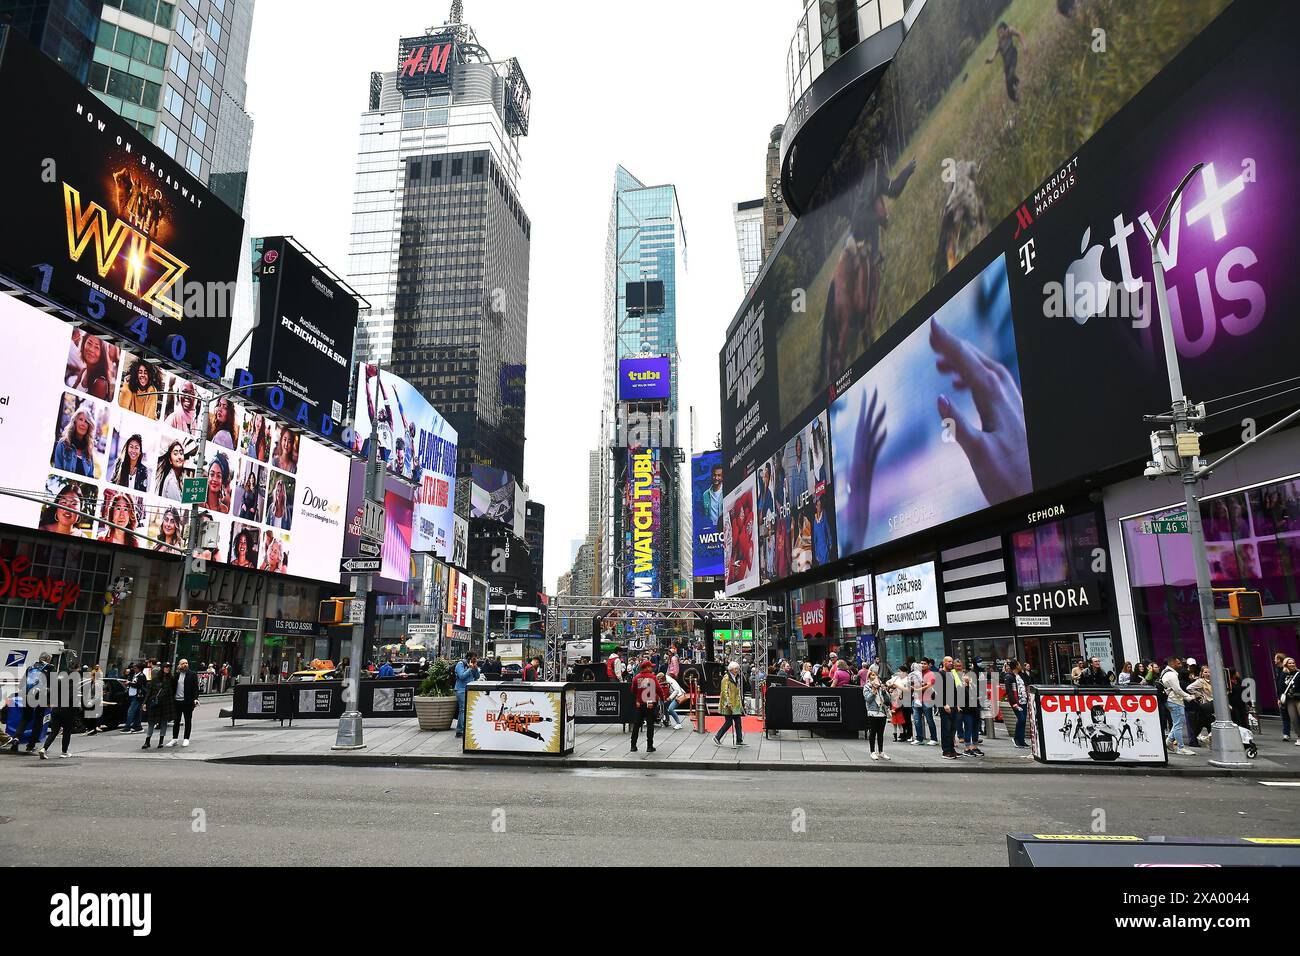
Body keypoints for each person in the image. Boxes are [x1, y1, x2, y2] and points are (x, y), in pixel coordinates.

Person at [9, 652, 53, 753]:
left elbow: (21, 685)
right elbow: (52, 686)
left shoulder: (30, 667)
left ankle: (16, 738)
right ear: (47, 659)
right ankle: (31, 745)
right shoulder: (49, 668)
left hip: (27, 695)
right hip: (40, 696)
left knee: (25, 718)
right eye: (50, 658)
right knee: (38, 720)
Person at [37, 662, 83, 760]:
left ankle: (44, 749)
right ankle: (64, 752)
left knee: (54, 732)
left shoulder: (59, 682)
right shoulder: (73, 684)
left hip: (56, 709)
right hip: (67, 710)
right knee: (67, 731)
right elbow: (72, 698)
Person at [629, 659, 665, 753]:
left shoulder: (636, 677)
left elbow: (633, 690)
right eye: (651, 667)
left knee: (637, 724)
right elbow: (659, 690)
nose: (652, 668)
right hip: (650, 705)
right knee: (650, 725)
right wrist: (662, 698)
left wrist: (638, 697)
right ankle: (649, 746)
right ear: (647, 667)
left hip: (640, 704)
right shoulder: (652, 677)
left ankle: (633, 746)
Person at [53, 401, 98, 477]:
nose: (83, 424)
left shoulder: (89, 450)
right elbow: (57, 473)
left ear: (89, 426)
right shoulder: (62, 444)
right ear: (75, 422)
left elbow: (90, 476)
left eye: (86, 421)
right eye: (80, 419)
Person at [1160, 657, 1195, 755]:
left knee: (1177, 723)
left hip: (1172, 701)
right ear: (1173, 664)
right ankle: (1181, 748)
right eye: (1178, 663)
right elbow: (1177, 690)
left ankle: (1169, 741)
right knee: (1178, 725)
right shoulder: (1171, 675)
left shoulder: (1165, 672)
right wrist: (1188, 697)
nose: (1180, 665)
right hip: (1175, 701)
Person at [985, 21, 1024, 103]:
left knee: (1011, 76)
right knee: (1009, 91)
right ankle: (1017, 100)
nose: (1000, 34)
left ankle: (1019, 84)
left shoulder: (1010, 31)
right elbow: (995, 52)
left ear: (1005, 29)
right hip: (1006, 63)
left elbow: (1019, 34)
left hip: (1013, 56)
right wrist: (990, 59)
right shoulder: (1000, 41)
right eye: (999, 33)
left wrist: (1024, 46)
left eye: (1001, 31)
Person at [142, 662, 175, 749]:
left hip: (166, 703)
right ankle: (147, 741)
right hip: (155, 703)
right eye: (166, 667)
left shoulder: (171, 679)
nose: (167, 669)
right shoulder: (155, 679)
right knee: (151, 722)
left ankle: (161, 741)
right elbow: (149, 691)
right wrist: (145, 703)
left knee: (164, 722)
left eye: (169, 667)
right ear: (163, 668)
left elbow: (173, 691)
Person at [167, 659, 200, 747]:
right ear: (179, 665)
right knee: (176, 721)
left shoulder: (192, 674)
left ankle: (186, 738)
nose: (185, 665)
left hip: (187, 702)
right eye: (183, 663)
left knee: (187, 720)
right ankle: (175, 739)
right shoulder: (177, 675)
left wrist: (196, 698)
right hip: (177, 701)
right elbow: (172, 686)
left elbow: (195, 688)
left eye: (186, 663)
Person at [714, 661, 746, 747]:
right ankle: (717, 737)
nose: (737, 670)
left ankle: (739, 740)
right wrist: (728, 702)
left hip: (735, 703)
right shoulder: (726, 678)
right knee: (728, 722)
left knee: (738, 722)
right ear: (731, 670)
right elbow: (724, 692)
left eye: (738, 668)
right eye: (736, 669)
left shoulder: (736, 677)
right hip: (728, 704)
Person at [936, 657, 961, 759]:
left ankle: (952, 749)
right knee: (946, 728)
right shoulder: (940, 674)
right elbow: (939, 690)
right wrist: (944, 704)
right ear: (944, 663)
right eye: (949, 662)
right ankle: (946, 751)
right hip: (946, 705)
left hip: (954, 704)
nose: (951, 663)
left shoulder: (953, 673)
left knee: (952, 728)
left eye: (952, 661)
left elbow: (957, 688)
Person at [863, 670, 890, 760]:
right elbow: (868, 699)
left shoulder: (881, 687)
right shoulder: (867, 687)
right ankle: (872, 751)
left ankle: (881, 752)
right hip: (873, 712)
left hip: (882, 712)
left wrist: (883, 691)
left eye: (876, 675)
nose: (875, 677)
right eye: (872, 675)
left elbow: (888, 700)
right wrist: (874, 690)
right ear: (869, 677)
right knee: (873, 732)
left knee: (880, 733)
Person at [910, 660, 937, 746]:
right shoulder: (917, 673)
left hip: (927, 699)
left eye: (924, 664)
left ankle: (934, 738)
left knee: (929, 719)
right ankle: (919, 738)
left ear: (928, 665)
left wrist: (919, 687)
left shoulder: (930, 674)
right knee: (917, 720)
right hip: (917, 699)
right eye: (921, 663)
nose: (922, 665)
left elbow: (929, 685)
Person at [453, 652, 480, 738]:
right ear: (469, 658)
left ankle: (465, 728)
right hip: (461, 690)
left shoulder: (472, 666)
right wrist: (469, 669)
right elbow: (461, 676)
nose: (474, 660)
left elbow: (477, 677)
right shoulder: (460, 664)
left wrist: (475, 669)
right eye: (473, 658)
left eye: (475, 658)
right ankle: (460, 730)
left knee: (467, 709)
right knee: (463, 709)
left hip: (469, 689)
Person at [1008, 659, 1029, 748]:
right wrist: (1014, 703)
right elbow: (1009, 691)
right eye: (1019, 664)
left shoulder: (1020, 675)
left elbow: (1028, 683)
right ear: (1016, 666)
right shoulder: (1009, 676)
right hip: (1016, 702)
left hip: (1023, 701)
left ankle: (1021, 740)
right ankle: (1016, 738)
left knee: (1023, 720)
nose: (1020, 666)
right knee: (1021, 718)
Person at [1279, 659, 1300, 747]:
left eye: (1293, 663)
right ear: (1286, 665)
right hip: (1289, 700)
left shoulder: (1298, 674)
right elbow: (1280, 687)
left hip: (1299, 698)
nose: (1292, 664)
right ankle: (1299, 737)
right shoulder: (1283, 675)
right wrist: (1279, 698)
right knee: (1294, 719)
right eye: (1290, 663)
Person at [122, 664, 146, 733]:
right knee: (136, 712)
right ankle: (138, 727)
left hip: (138, 696)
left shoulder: (141, 676)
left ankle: (127, 727)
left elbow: (138, 685)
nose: (134, 669)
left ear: (139, 669)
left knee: (131, 711)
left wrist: (129, 683)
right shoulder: (135, 675)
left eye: (135, 668)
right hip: (133, 695)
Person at [1274, 653, 1292, 741]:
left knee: (1294, 715)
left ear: (1279, 660)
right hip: (1282, 696)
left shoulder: (1286, 671)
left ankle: (1286, 734)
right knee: (1285, 715)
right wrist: (1278, 698)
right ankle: (1286, 733)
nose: (1274, 660)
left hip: (1290, 696)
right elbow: (1278, 686)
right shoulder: (1277, 670)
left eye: (1275, 659)